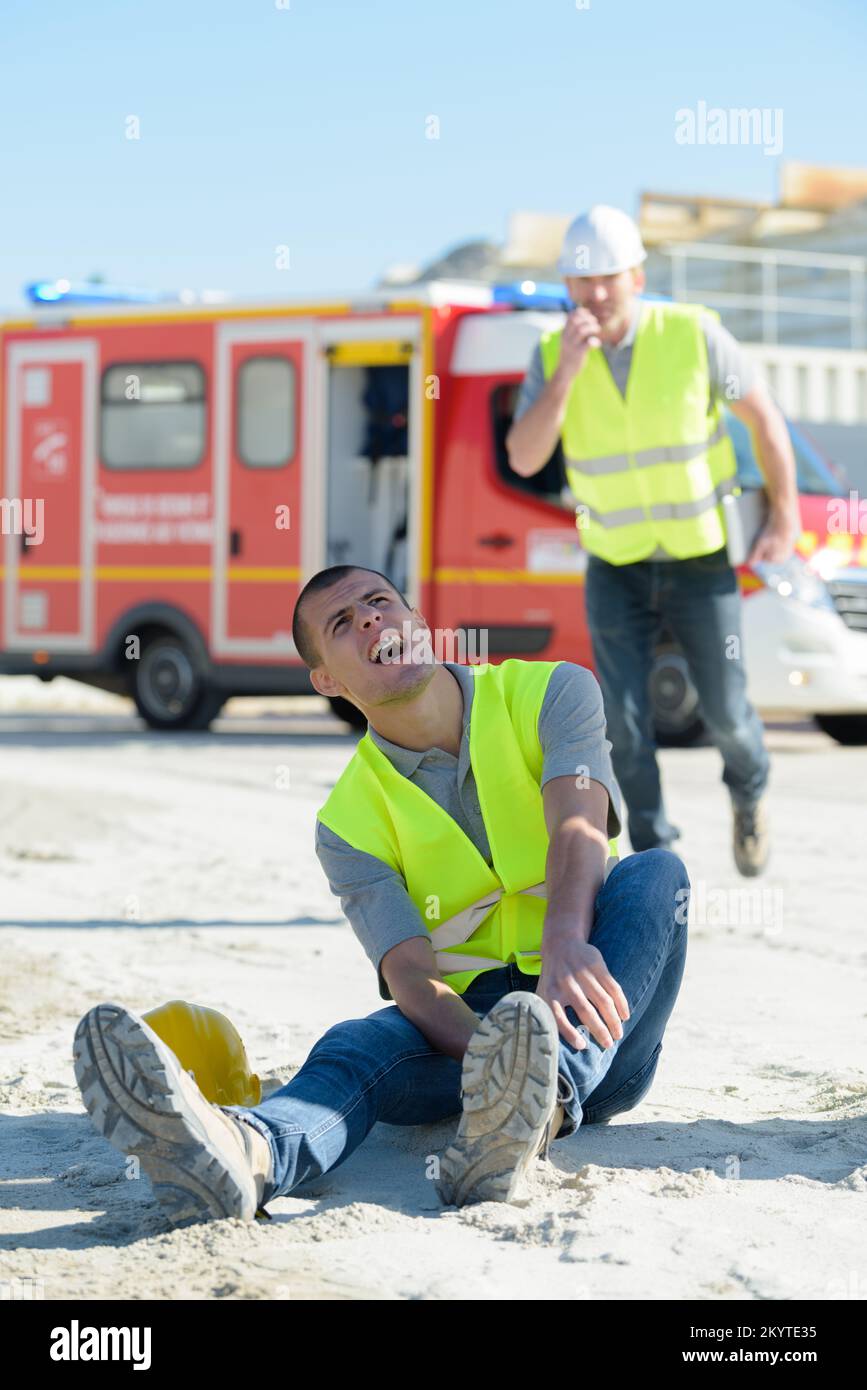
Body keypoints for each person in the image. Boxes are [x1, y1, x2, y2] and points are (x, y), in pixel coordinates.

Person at [73, 566, 690, 1226]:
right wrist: (498, 1063)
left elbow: (578, 825)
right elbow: (414, 980)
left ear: (417, 623)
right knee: (353, 1046)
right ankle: (246, 1155)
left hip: (594, 1010)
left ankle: (549, 1101)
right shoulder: (345, 823)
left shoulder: (552, 691)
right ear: (327, 682)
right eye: (342, 624)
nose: (369, 619)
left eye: (378, 603)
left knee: (656, 876)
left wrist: (564, 947)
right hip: (465, 1032)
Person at [506, 205, 801, 875]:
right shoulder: (551, 357)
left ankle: (749, 792)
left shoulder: (693, 335)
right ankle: (656, 860)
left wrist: (783, 514)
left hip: (698, 557)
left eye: (609, 276)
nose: (596, 293)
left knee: (725, 711)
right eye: (582, 281)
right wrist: (566, 376)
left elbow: (764, 418)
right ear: (566, 287)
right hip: (614, 563)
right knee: (624, 725)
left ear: (636, 276)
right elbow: (524, 456)